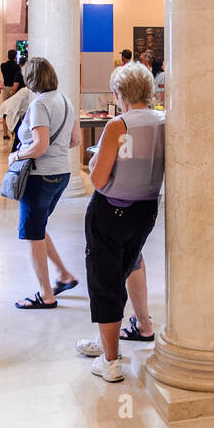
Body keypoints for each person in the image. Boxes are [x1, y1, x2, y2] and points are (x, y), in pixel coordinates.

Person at [75, 62, 166, 382]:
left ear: (118, 94)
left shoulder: (119, 124)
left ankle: (111, 359)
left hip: (111, 210)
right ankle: (128, 332)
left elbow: (99, 180)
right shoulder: (163, 120)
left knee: (104, 280)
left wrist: (96, 156)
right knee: (130, 262)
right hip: (146, 211)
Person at [11, 56, 82, 310]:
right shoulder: (65, 100)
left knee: (32, 233)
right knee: (38, 227)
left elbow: (40, 146)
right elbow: (75, 139)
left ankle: (46, 295)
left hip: (40, 176)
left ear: (30, 79)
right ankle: (64, 275)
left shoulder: (40, 104)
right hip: (61, 174)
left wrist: (16, 154)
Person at [1, 81, 35, 147]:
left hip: (12, 110)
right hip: (11, 111)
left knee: (18, 138)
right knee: (18, 138)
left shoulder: (27, 91)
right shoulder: (28, 91)